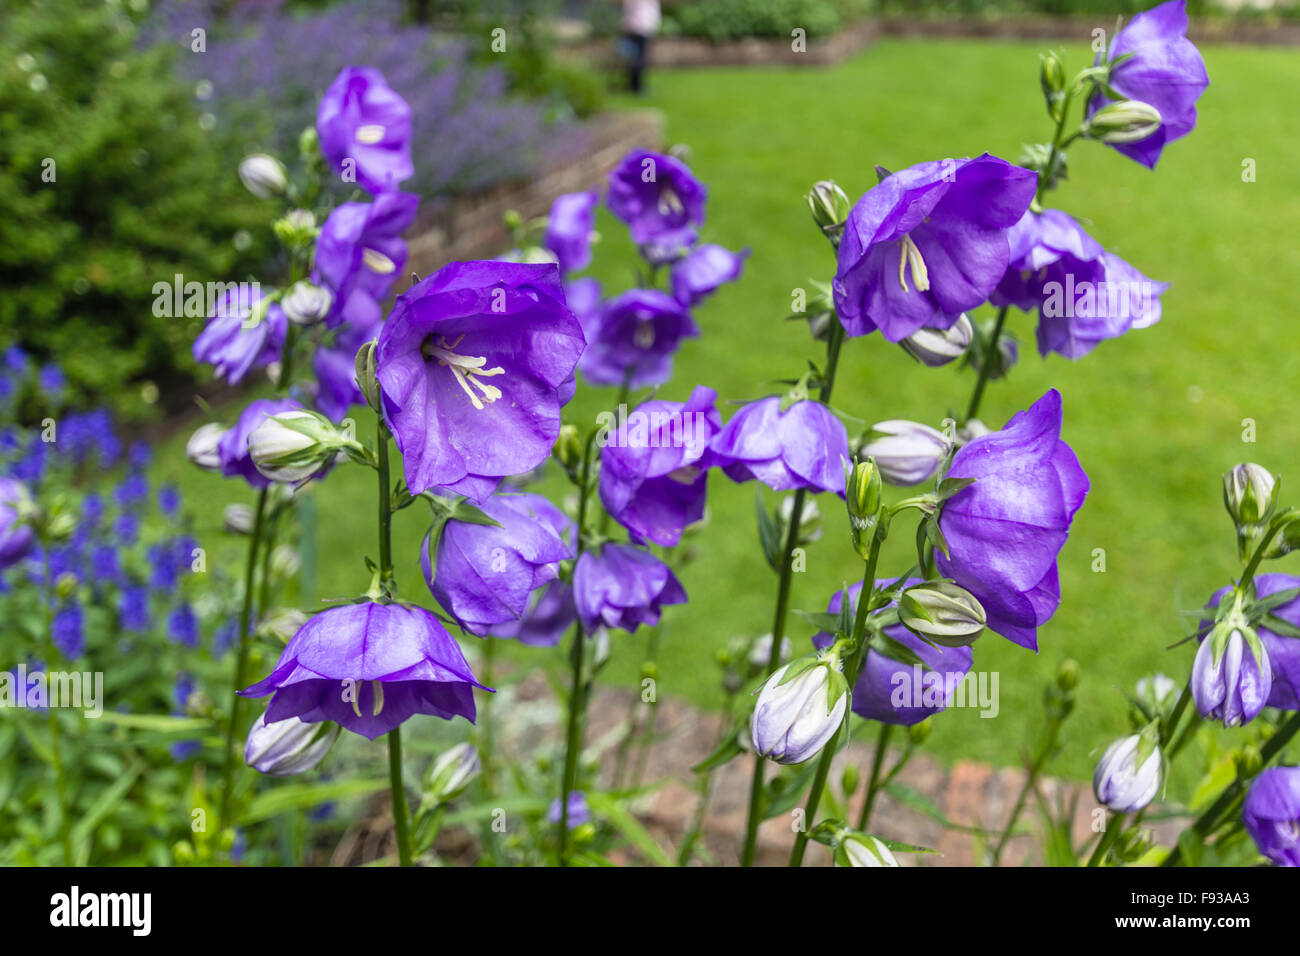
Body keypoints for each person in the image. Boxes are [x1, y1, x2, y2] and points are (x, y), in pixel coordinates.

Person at [621, 0, 660, 94]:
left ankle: (636, 85)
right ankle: (636, 87)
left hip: (636, 29)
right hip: (641, 29)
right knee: (639, 59)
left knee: (636, 59)